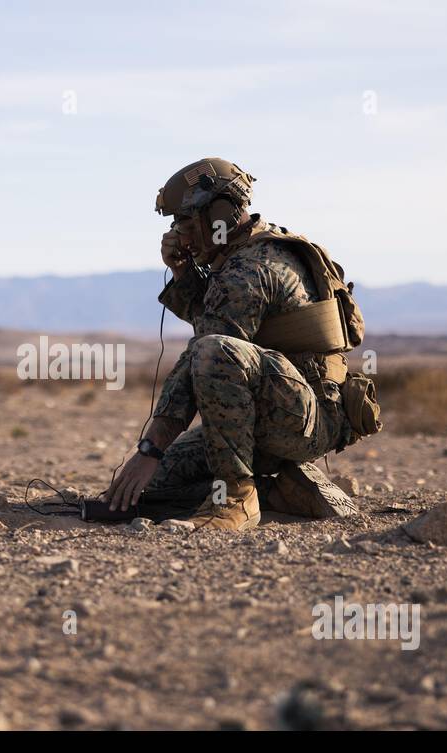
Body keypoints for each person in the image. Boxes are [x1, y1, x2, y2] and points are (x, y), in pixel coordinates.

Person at [105, 158, 377, 530]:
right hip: (280, 412)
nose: (178, 236)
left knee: (214, 352)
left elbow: (211, 349)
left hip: (306, 422)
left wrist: (149, 448)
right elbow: (215, 325)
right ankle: (278, 490)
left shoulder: (250, 269)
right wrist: (184, 273)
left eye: (185, 223)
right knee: (153, 485)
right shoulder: (248, 251)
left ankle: (236, 497)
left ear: (218, 215)